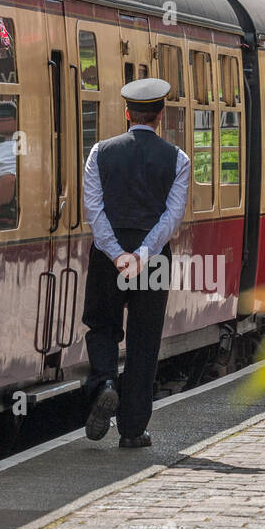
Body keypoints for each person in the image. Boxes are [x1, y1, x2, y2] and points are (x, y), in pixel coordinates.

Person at [82, 78, 191, 448]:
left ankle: (105, 384)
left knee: (101, 325)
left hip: (107, 257)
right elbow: (170, 219)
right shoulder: (178, 159)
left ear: (127, 114)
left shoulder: (99, 152)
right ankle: (132, 430)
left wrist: (116, 254)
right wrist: (142, 257)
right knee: (144, 341)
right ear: (160, 116)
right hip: (153, 260)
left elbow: (94, 212)